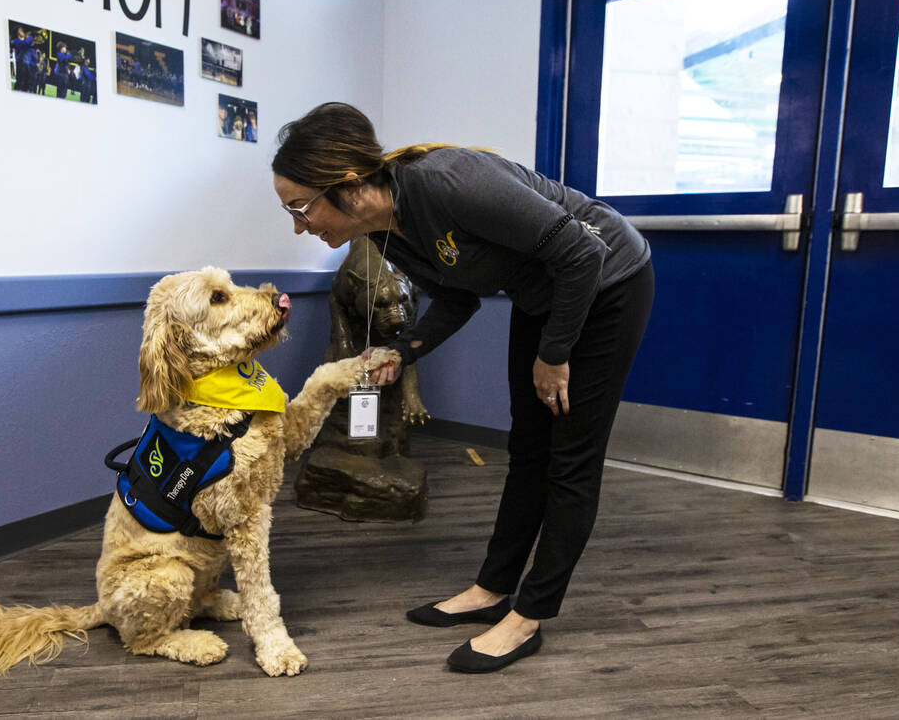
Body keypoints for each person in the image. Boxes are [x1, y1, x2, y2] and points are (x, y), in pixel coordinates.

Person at [270, 102, 654, 674]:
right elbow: (458, 299)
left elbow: (583, 252)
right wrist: (403, 352)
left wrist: (554, 355)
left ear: (348, 185)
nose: (300, 226)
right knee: (528, 450)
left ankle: (529, 615)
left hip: (607, 282)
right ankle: (492, 589)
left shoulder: (446, 180)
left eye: (301, 208)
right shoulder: (389, 231)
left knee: (570, 459)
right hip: (545, 295)